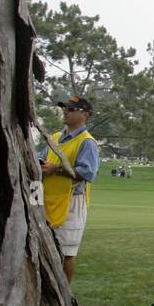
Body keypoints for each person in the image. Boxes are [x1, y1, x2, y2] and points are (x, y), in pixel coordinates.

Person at [40, 96, 100, 283]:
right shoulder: (56, 137)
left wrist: (56, 169)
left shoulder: (87, 142)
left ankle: (63, 292)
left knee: (67, 252)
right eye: (65, 108)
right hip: (49, 198)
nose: (66, 111)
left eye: (72, 109)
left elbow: (87, 173)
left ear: (85, 115)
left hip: (73, 201)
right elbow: (41, 157)